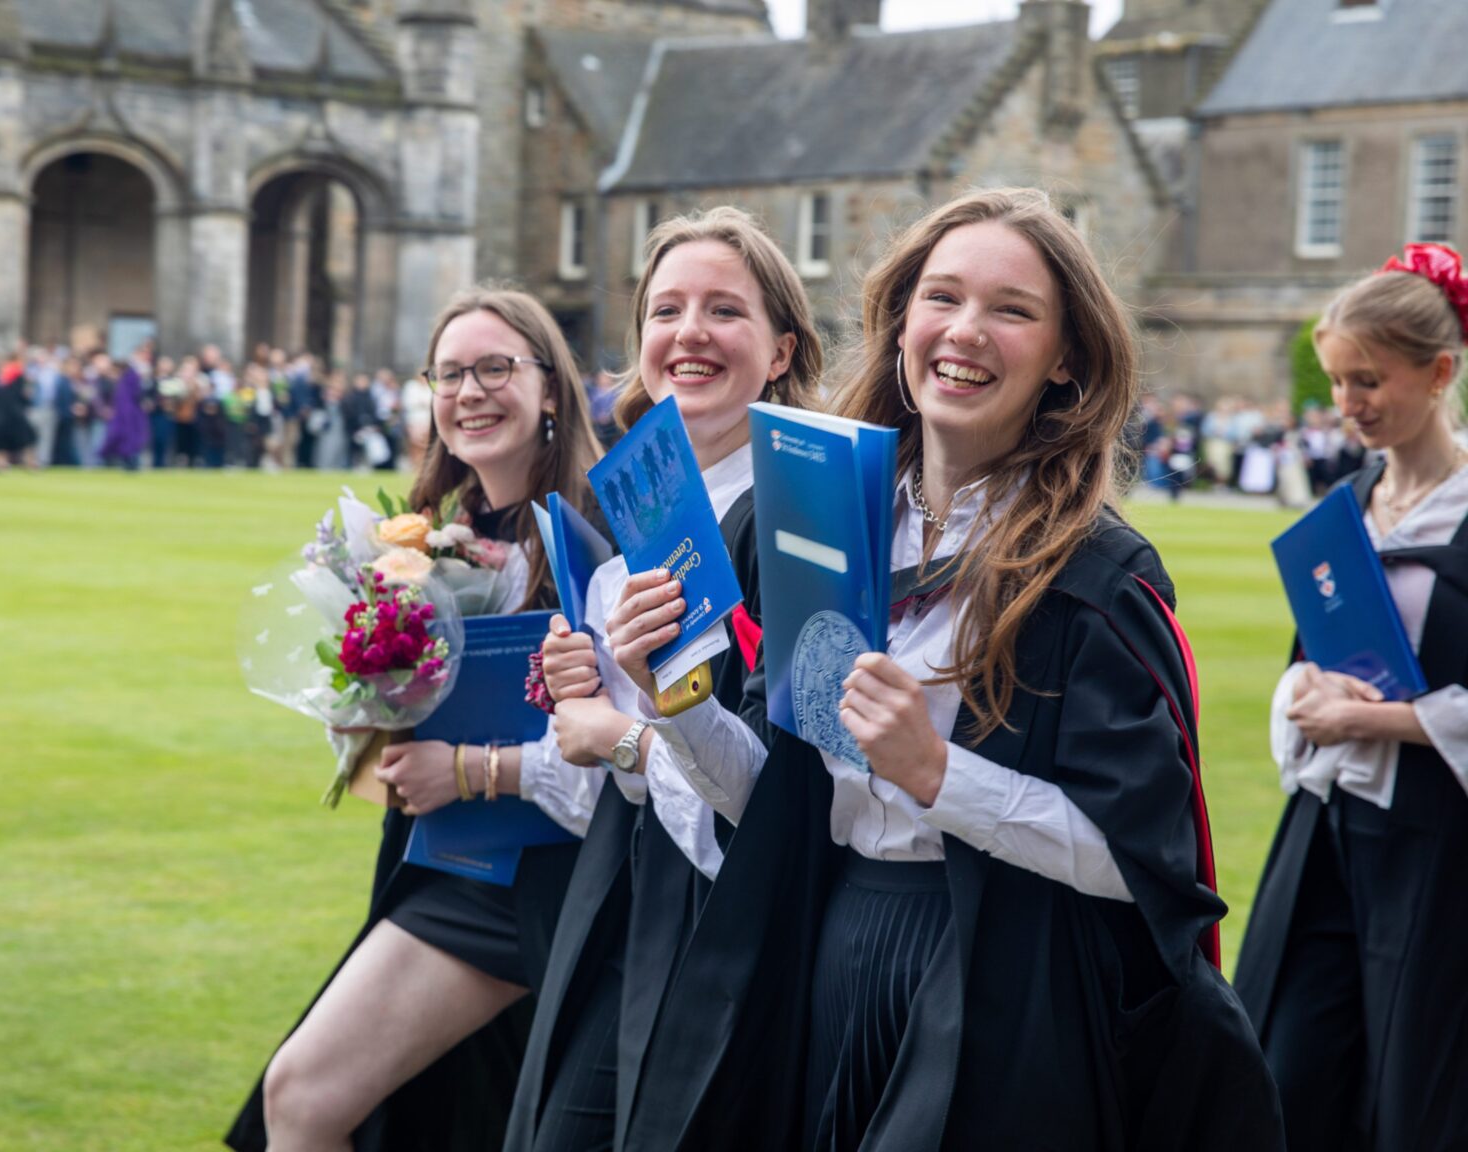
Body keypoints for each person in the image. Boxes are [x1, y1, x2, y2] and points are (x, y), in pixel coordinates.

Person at [598, 189, 1281, 1150]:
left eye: (1012, 309)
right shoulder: (815, 524)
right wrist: (672, 696)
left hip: (1004, 987)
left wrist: (937, 774)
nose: (965, 331)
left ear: (1067, 359)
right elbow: (779, 798)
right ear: (900, 321)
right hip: (835, 952)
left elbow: (1142, 866)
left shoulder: (1091, 580)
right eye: (941, 297)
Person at [226, 288, 609, 1152]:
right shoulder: (433, 530)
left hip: (537, 876)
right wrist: (365, 697)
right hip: (440, 852)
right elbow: (391, 707)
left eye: (495, 368)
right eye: (449, 374)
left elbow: (624, 744)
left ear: (551, 387)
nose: (469, 391)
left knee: (306, 1095)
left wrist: (472, 767)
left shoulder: (598, 532)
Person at [509, 205, 825, 1152]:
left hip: (737, 924)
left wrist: (626, 732)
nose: (688, 333)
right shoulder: (639, 507)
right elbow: (596, 774)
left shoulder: (803, 516)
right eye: (665, 310)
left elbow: (793, 797)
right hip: (627, 895)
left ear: (781, 350)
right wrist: (583, 694)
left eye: (724, 310)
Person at [1236, 242, 1468, 1152]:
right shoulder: (1352, 500)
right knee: (1289, 1070)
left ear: (1440, 371)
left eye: (1367, 380)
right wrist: (1304, 689)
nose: (1347, 405)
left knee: (1418, 1092)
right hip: (1327, 829)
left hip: (1438, 849)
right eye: (1336, 382)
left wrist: (1372, 719)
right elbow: (1311, 654)